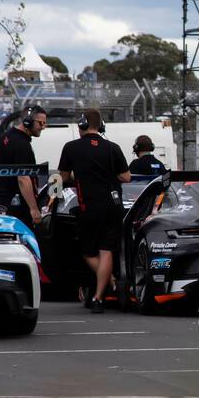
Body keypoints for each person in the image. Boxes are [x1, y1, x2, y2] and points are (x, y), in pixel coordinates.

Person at [57, 109, 131, 313]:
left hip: (88, 206)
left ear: (81, 124)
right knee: (107, 250)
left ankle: (111, 280)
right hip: (113, 206)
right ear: (101, 126)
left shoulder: (71, 147)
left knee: (87, 251)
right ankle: (99, 297)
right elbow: (126, 177)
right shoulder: (113, 147)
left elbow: (62, 176)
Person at [0, 104, 46, 230]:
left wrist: (3, 182)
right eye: (41, 123)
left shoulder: (5, 137)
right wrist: (34, 209)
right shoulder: (22, 145)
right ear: (28, 122)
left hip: (2, 203)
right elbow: (23, 179)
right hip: (18, 208)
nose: (43, 127)